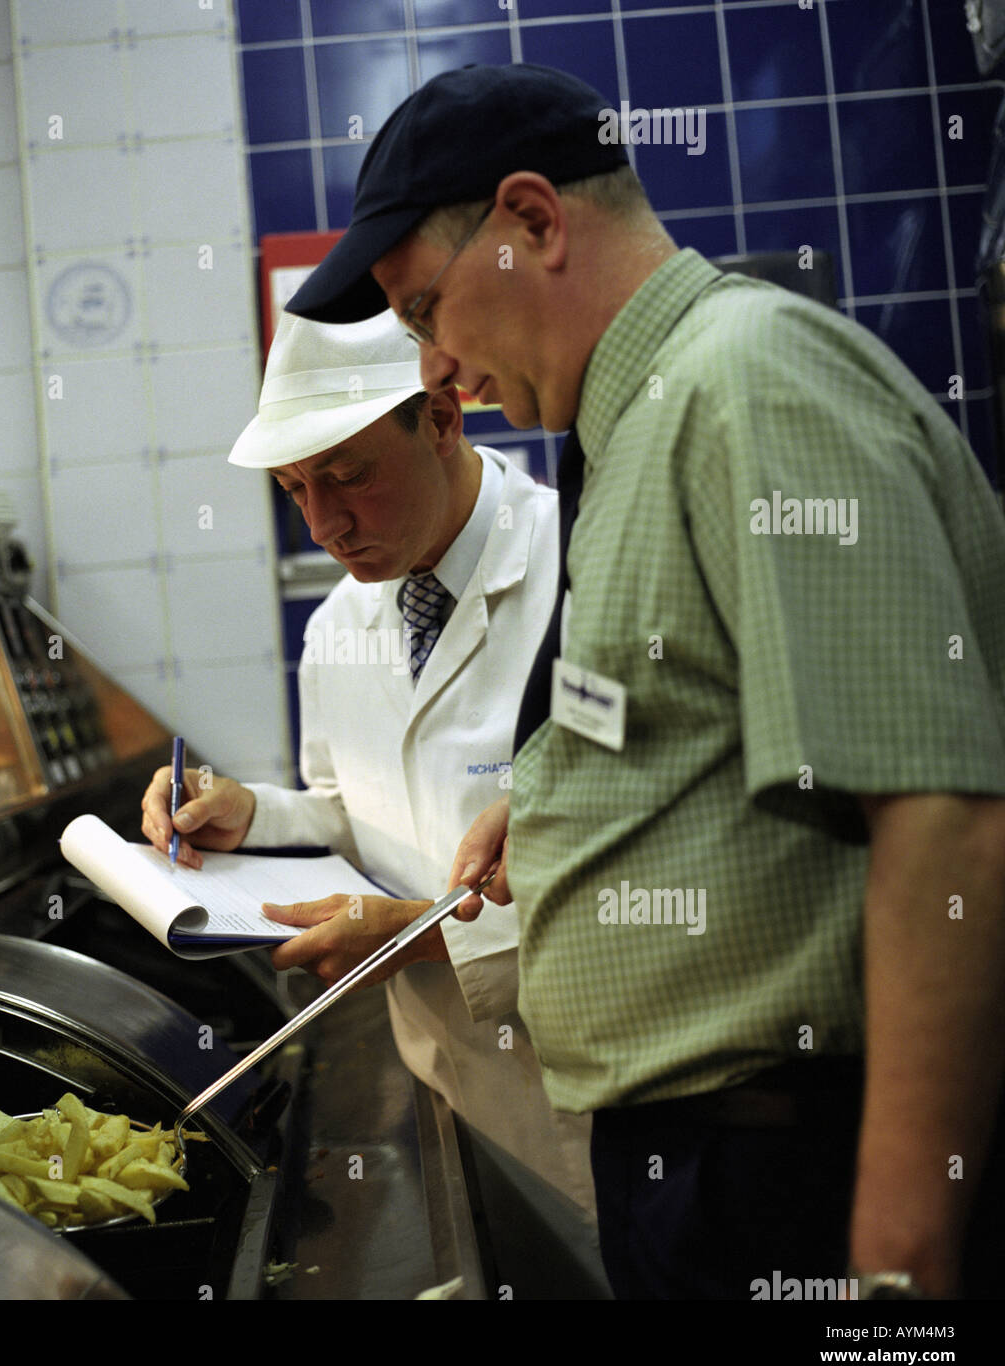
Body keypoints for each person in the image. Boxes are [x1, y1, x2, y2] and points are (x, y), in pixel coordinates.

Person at [284, 62, 1005, 1300]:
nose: (437, 367)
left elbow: (947, 827)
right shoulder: (632, 433)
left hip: (788, 1173)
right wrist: (563, 808)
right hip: (700, 1170)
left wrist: (896, 1275)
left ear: (533, 222)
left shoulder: (744, 388)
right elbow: (691, 723)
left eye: (424, 311)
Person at [140, 309, 600, 1224]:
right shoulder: (338, 629)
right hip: (453, 1090)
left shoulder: (584, 567)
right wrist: (254, 814)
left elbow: (640, 866)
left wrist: (414, 935)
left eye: (349, 477)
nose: (325, 525)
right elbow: (356, 810)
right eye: (294, 488)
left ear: (440, 419)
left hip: (597, 1090)